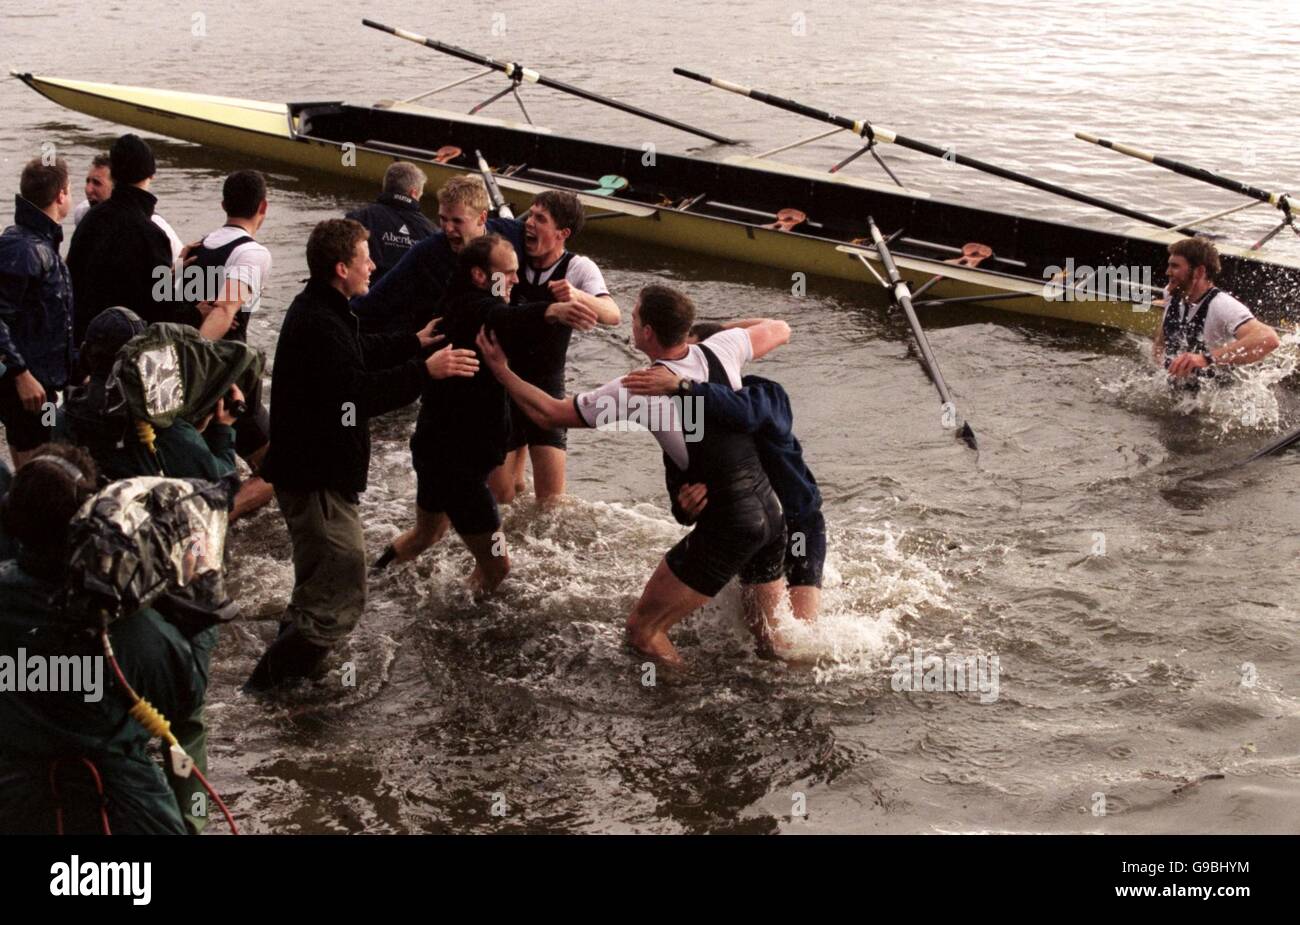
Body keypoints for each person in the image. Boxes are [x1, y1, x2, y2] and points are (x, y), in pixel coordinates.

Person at [477, 284, 792, 665]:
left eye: (636, 315)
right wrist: (721, 329)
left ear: (646, 333)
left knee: (643, 632)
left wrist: (501, 371)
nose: (631, 319)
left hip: (731, 522)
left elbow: (550, 414)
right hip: (771, 512)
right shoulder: (724, 348)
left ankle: (692, 710)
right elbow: (779, 327)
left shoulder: (639, 387)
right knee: (772, 645)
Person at [248, 219, 477, 689]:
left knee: (316, 589)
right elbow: (355, 394)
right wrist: (425, 370)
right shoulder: (320, 320)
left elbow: (354, 353)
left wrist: (411, 342)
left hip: (311, 474)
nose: (373, 265)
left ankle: (286, 684)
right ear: (340, 268)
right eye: (363, 258)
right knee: (340, 596)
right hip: (316, 480)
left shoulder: (324, 308)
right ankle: (265, 692)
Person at [0, 445, 212, 834]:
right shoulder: (122, 622)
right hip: (122, 810)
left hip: (17, 803)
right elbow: (187, 691)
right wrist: (197, 606)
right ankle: (194, 819)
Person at [372, 234, 597, 586]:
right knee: (498, 566)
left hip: (435, 455)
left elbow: (504, 316)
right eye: (507, 274)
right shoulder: (472, 309)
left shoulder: (459, 302)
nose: (516, 280)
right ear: (480, 276)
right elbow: (504, 317)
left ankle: (370, 580)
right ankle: (455, 624)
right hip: (461, 472)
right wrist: (551, 311)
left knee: (425, 536)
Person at [623, 321, 825, 640]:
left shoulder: (762, 393)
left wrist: (685, 383)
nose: (681, 366)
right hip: (755, 531)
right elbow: (680, 483)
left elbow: (743, 413)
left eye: (692, 356)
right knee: (762, 640)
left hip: (799, 524)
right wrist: (685, 506)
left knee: (801, 641)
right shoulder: (690, 419)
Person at [495, 189, 621, 505]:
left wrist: (576, 295)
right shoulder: (509, 259)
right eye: (530, 215)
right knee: (501, 498)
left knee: (551, 505)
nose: (529, 223)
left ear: (562, 233)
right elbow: (491, 308)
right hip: (503, 386)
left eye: (540, 219)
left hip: (547, 391)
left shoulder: (578, 268)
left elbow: (613, 315)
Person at [174, 170, 274, 518]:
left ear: (223, 204)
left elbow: (174, 304)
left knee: (199, 454)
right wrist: (196, 352)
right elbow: (226, 308)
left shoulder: (195, 248)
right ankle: (220, 514)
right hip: (228, 373)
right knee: (278, 468)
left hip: (188, 378)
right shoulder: (253, 253)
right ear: (263, 206)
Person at [63, 307, 242, 488]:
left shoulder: (64, 416)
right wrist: (223, 429)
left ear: (85, 354)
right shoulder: (167, 431)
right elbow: (224, 486)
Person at [351, 175, 523, 334]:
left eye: (457, 221)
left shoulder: (512, 234)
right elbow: (377, 299)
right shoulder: (426, 253)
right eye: (443, 218)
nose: (447, 228)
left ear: (482, 218)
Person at [0, 156, 74, 468]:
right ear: (60, 196)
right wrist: (21, 374)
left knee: (42, 463)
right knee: (34, 470)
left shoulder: (40, 243)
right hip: (27, 387)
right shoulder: (24, 248)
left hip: (44, 383)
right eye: (70, 190)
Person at [66, 134, 176, 342]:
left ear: (114, 174)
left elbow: (73, 280)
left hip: (85, 345)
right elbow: (162, 308)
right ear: (151, 174)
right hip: (129, 351)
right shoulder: (152, 234)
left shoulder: (89, 220)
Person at [1155, 238, 1280, 385]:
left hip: (1216, 396)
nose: (1167, 272)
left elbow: (1269, 339)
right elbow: (1161, 340)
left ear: (1199, 272)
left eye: (1175, 266)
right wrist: (1158, 363)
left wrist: (1205, 359)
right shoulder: (1172, 293)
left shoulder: (1222, 306)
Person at [74, 152, 184, 263]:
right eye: (88, 181)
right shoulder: (83, 213)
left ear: (117, 187)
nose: (88, 189)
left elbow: (181, 263)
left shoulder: (156, 227)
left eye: (97, 183)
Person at [346, 161, 435, 285]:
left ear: (386, 186)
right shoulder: (432, 231)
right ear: (413, 193)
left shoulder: (357, 218)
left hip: (364, 298)